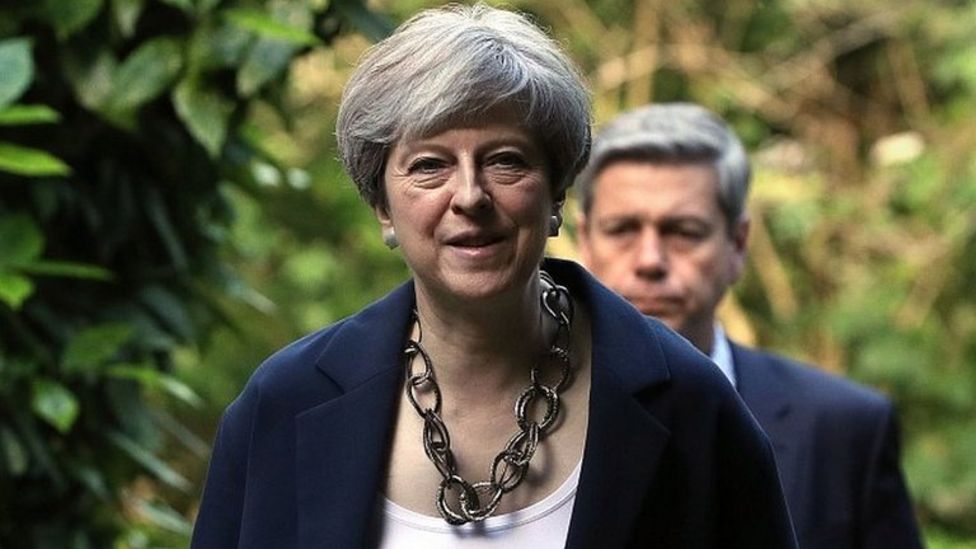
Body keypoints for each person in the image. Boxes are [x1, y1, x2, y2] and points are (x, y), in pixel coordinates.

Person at [191, 7, 797, 548]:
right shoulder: (284, 405)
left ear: (557, 194)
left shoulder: (692, 407)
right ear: (383, 207)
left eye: (505, 161)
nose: (469, 196)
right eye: (429, 165)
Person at [575, 102, 923, 549]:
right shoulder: (522, 418)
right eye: (623, 229)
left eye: (684, 231)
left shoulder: (844, 430)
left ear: (737, 245)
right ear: (585, 240)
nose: (650, 261)